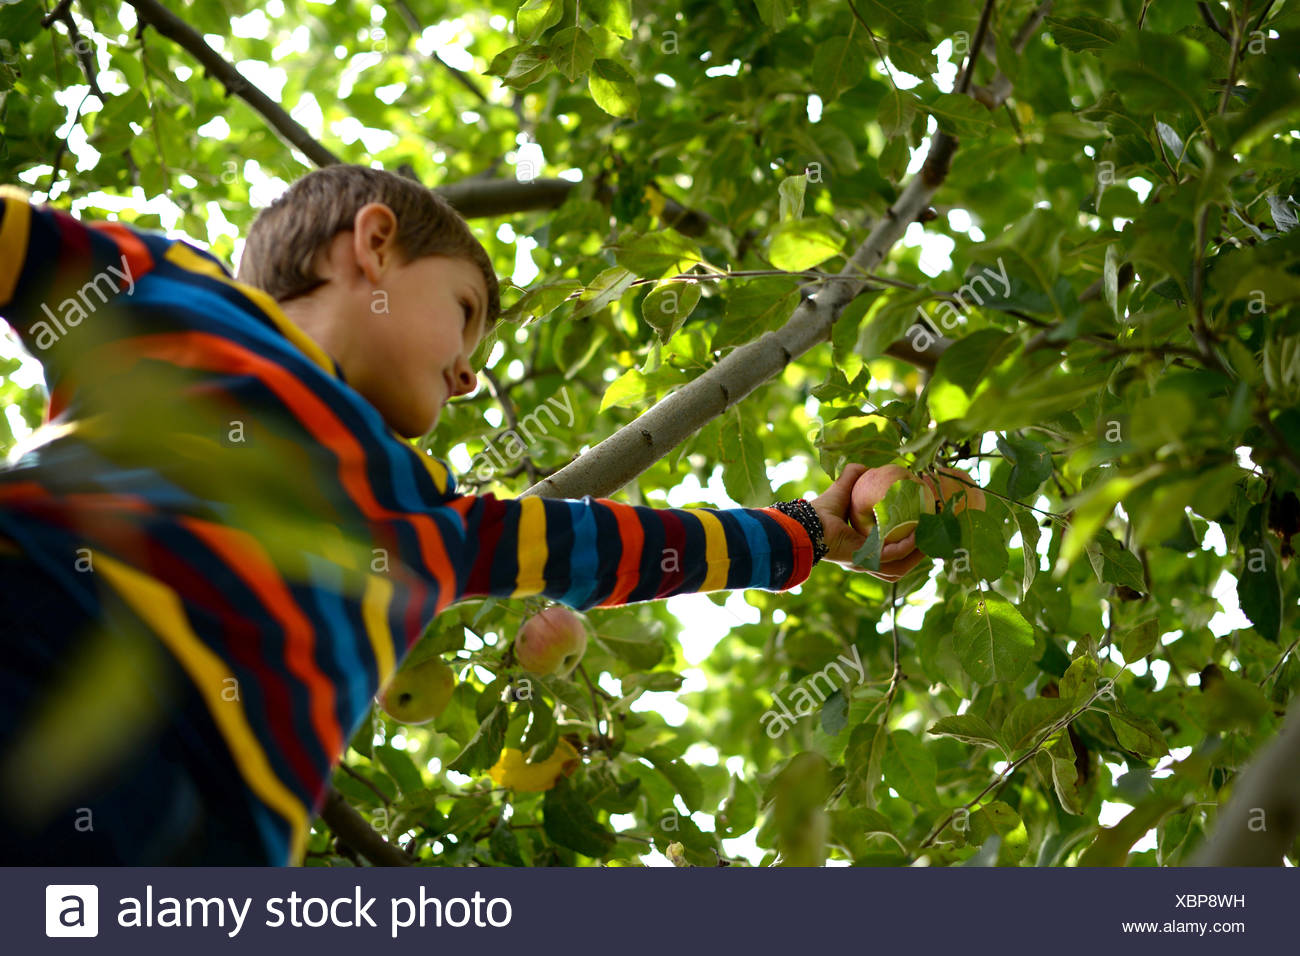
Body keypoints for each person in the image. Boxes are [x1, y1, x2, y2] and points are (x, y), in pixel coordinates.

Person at [0, 165, 891, 865]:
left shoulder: (431, 521)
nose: (467, 371)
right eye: (464, 316)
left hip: (213, 837)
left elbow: (624, 547)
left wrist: (805, 530)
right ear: (376, 247)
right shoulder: (176, 297)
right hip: (41, 630)